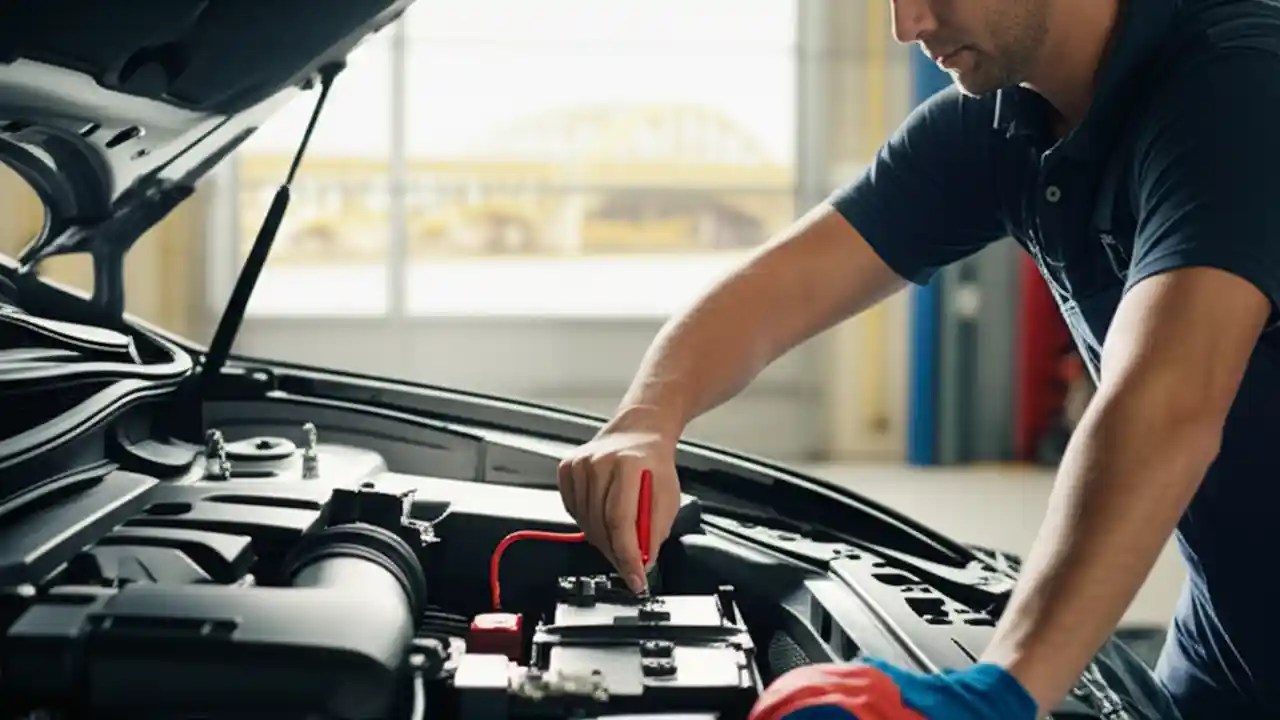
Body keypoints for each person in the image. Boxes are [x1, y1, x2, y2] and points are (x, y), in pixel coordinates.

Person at [557, 0, 1280, 716]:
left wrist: (1006, 686)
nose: (908, 25)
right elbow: (789, 283)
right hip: (1225, 654)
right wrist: (647, 416)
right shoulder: (1008, 119)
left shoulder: (1240, 85)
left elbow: (1168, 399)